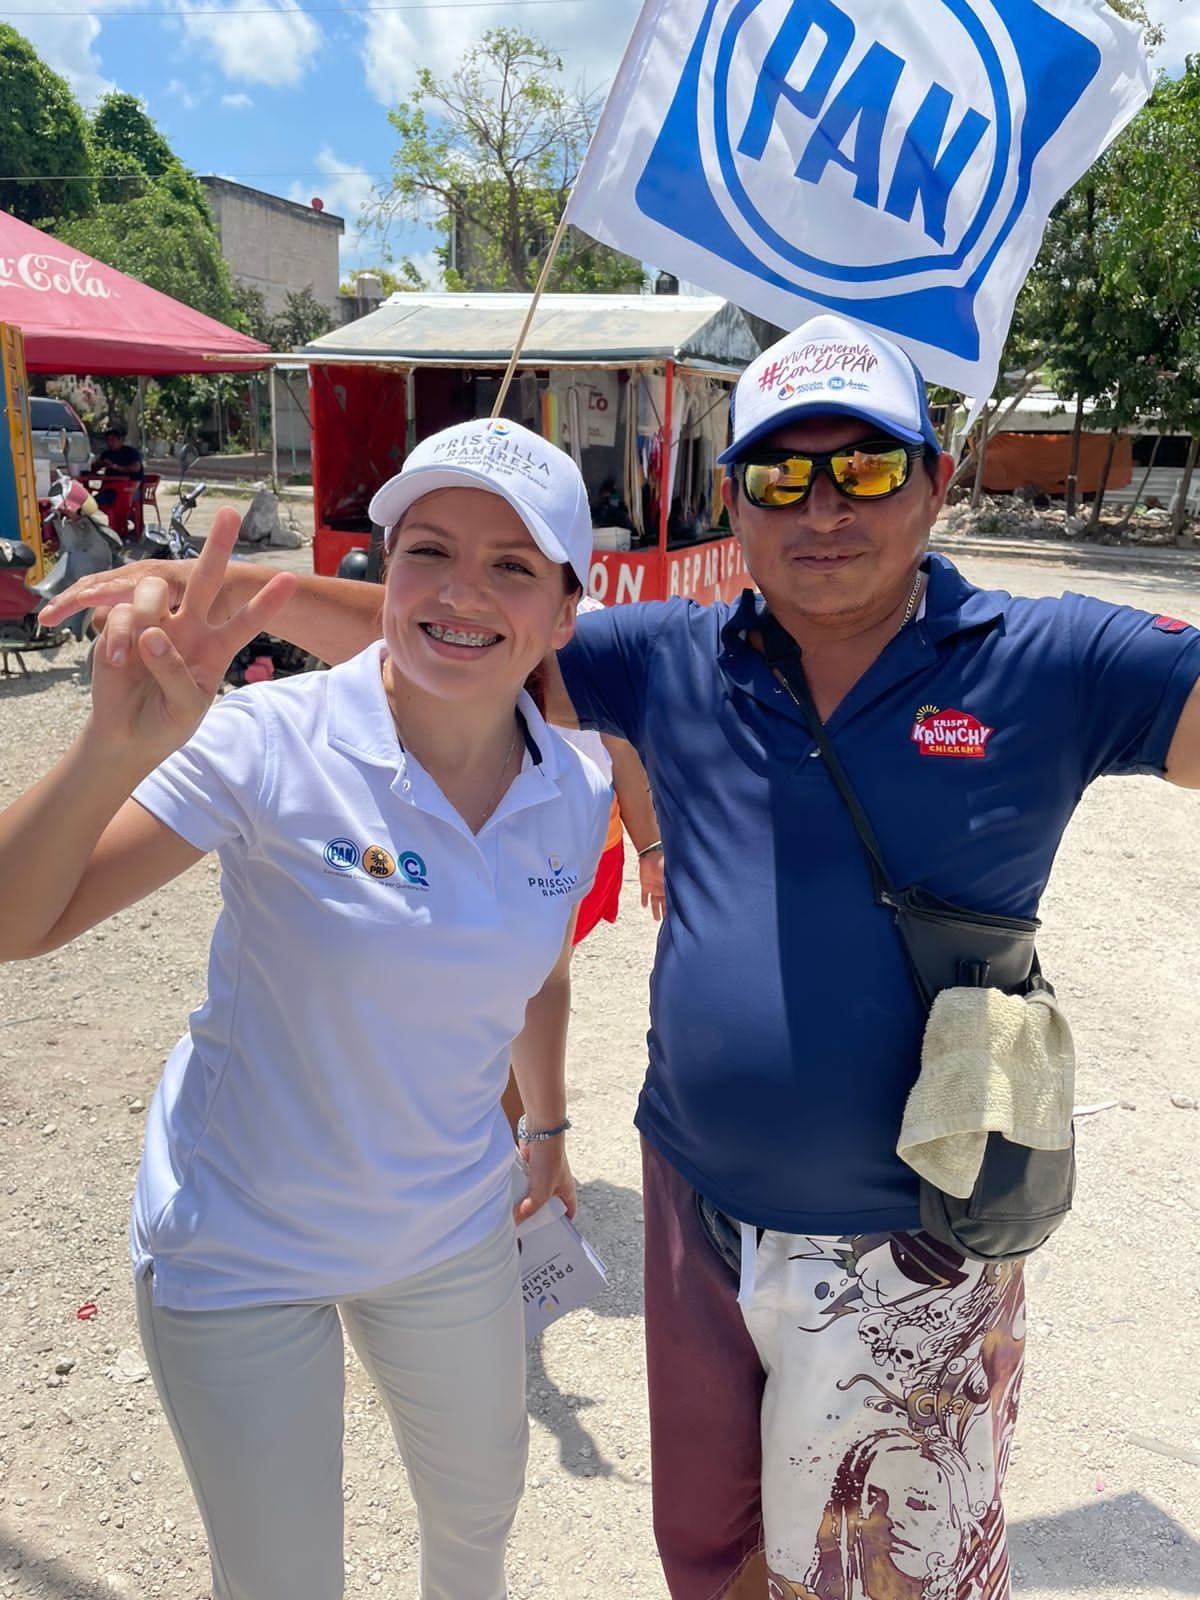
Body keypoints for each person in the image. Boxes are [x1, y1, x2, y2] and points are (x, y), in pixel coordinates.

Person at [42, 315, 1200, 1600]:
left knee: (880, 1574)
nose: (823, 506)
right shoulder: (675, 654)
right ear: (735, 504)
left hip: (909, 1238)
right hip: (693, 1207)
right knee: (714, 1551)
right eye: (781, 475)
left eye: (867, 467)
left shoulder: (1049, 661)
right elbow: (460, 628)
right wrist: (226, 604)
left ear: (934, 482)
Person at [3, 417, 613, 1600]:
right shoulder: (269, 738)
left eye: (512, 565)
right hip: (244, 1243)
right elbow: (18, 924)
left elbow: (537, 972)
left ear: (562, 615)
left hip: (448, 1229)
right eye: (429, 550)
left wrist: (543, 1126)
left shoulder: (573, 787)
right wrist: (108, 752)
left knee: (478, 1523)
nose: (462, 593)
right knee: (282, 1581)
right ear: (384, 573)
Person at [90, 423, 145, 533]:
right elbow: (93, 469)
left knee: (94, 502)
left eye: (113, 440)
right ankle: (119, 523)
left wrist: (116, 467)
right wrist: (100, 464)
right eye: (108, 440)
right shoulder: (106, 454)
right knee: (94, 500)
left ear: (121, 440)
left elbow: (136, 468)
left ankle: (123, 522)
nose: (110, 443)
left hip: (129, 490)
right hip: (110, 489)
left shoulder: (130, 452)